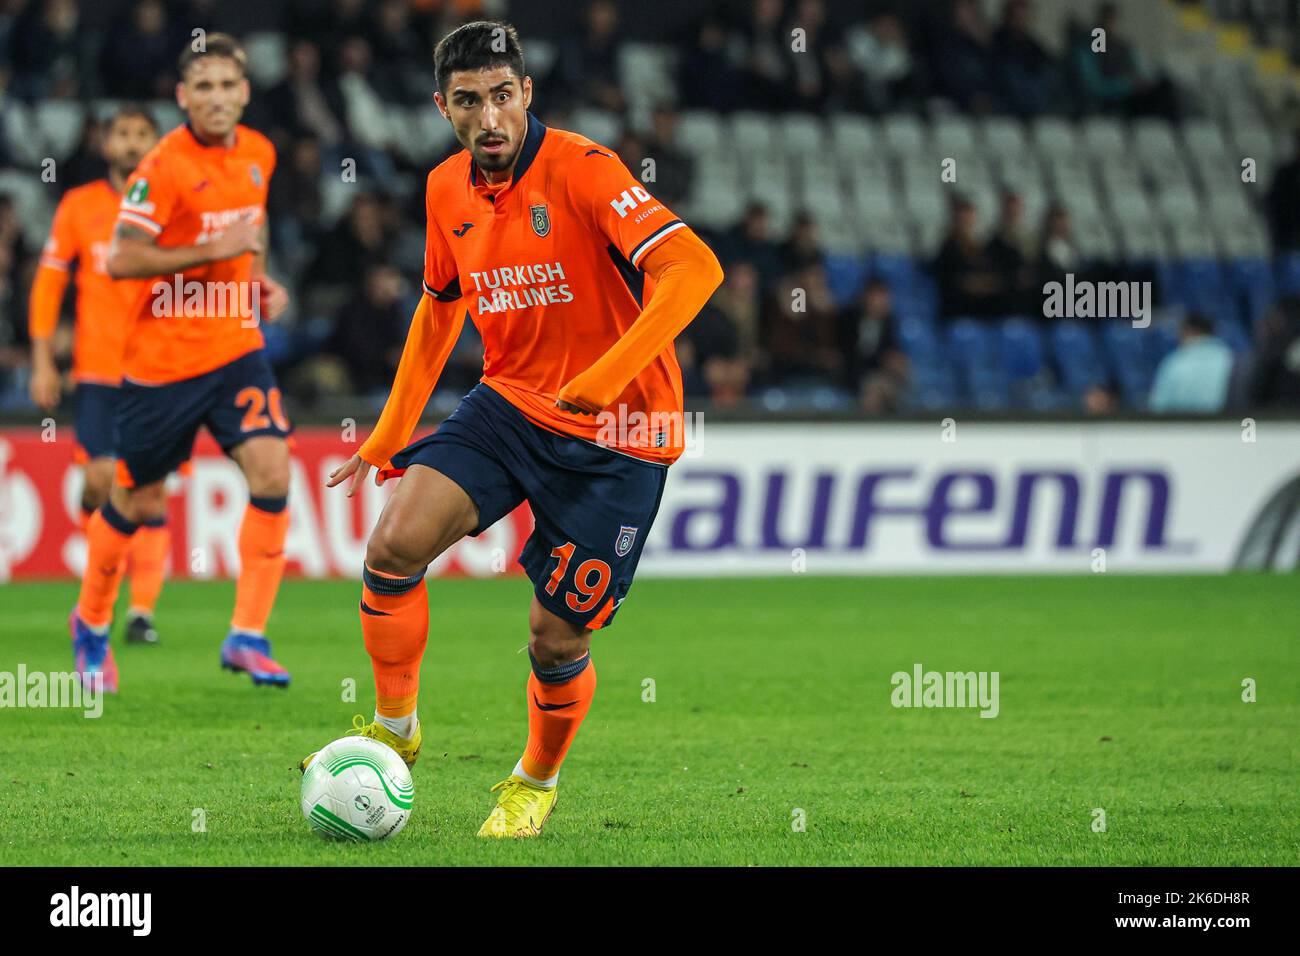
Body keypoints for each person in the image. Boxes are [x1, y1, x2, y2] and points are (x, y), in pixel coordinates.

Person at [305, 20, 723, 838]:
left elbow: (694, 267)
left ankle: (534, 780)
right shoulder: (442, 190)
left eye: (503, 96)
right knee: (393, 545)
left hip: (621, 435)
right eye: (469, 101)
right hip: (510, 404)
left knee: (553, 634)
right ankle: (395, 727)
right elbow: (438, 307)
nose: (489, 117)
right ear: (443, 107)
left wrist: (604, 379)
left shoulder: (585, 170)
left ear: (527, 93)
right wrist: (390, 430)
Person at [68, 34, 295, 692]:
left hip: (236, 350)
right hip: (163, 365)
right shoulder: (161, 167)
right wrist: (209, 249)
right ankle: (91, 622)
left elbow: (254, 227)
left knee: (273, 470)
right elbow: (122, 258)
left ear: (245, 92)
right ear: (182, 97)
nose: (217, 98)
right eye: (204, 87)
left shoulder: (260, 152)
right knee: (133, 499)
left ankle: (247, 635)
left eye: (228, 86)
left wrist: (258, 279)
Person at [28, 105, 171, 648]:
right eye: (123, 134)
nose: (132, 144)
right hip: (99, 372)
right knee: (99, 484)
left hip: (160, 371)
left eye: (142, 135)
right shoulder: (79, 206)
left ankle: (139, 613)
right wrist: (43, 358)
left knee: (150, 493)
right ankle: (98, 585)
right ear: (106, 143)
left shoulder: (172, 203)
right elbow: (48, 284)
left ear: (156, 144)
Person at [1148, 313, 1233, 413]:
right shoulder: (1230, 358)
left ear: (1187, 331)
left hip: (1182, 426)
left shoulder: (1174, 363)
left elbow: (1158, 408)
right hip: (1224, 426)